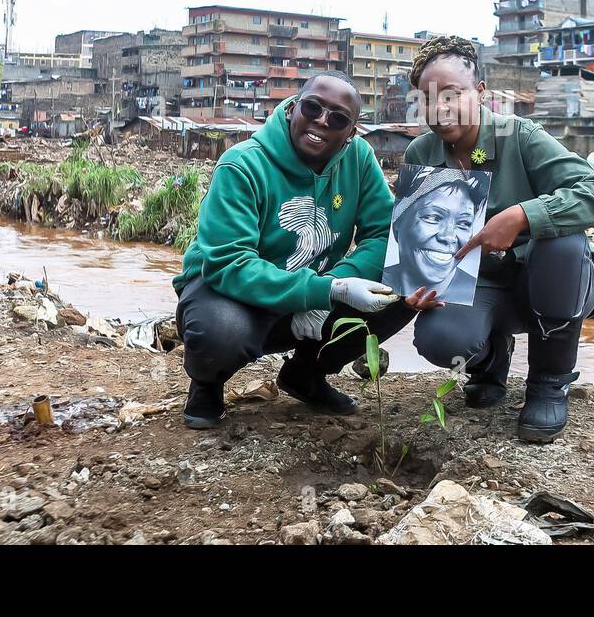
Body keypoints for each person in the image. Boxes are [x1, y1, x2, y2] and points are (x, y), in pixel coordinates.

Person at [399, 36, 594, 442]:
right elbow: (414, 236)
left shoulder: (519, 136)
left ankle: (548, 381)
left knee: (563, 243)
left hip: (544, 283)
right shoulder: (421, 152)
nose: (441, 108)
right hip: (477, 288)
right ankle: (489, 360)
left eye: (453, 94)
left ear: (480, 93)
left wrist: (525, 216)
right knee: (438, 340)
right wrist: (413, 285)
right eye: (429, 99)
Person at [172, 71, 413, 429]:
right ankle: (207, 382)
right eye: (312, 108)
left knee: (402, 291)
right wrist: (323, 291)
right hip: (233, 293)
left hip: (315, 286)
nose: (321, 121)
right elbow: (228, 263)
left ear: (351, 132)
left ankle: (306, 374)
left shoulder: (359, 159)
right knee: (221, 331)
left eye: (338, 118)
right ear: (291, 110)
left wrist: (336, 282)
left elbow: (383, 235)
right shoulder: (242, 165)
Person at [381, 166, 487, 304]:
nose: (449, 237)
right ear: (397, 225)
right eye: (433, 217)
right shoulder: (375, 283)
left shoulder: (476, 296)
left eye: (463, 223)